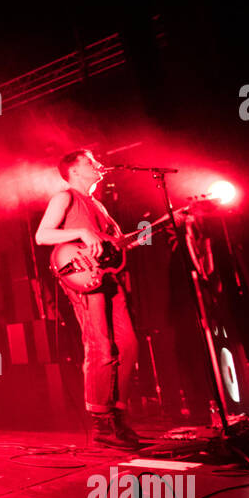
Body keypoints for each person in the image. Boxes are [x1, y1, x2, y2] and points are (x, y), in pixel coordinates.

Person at [35, 149, 143, 448]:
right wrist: (82, 231)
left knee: (129, 345)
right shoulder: (65, 197)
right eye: (89, 162)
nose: (97, 165)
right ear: (73, 171)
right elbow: (42, 235)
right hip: (84, 275)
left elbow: (115, 244)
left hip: (108, 276)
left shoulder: (99, 205)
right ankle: (101, 423)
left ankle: (118, 414)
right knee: (101, 346)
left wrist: (149, 232)